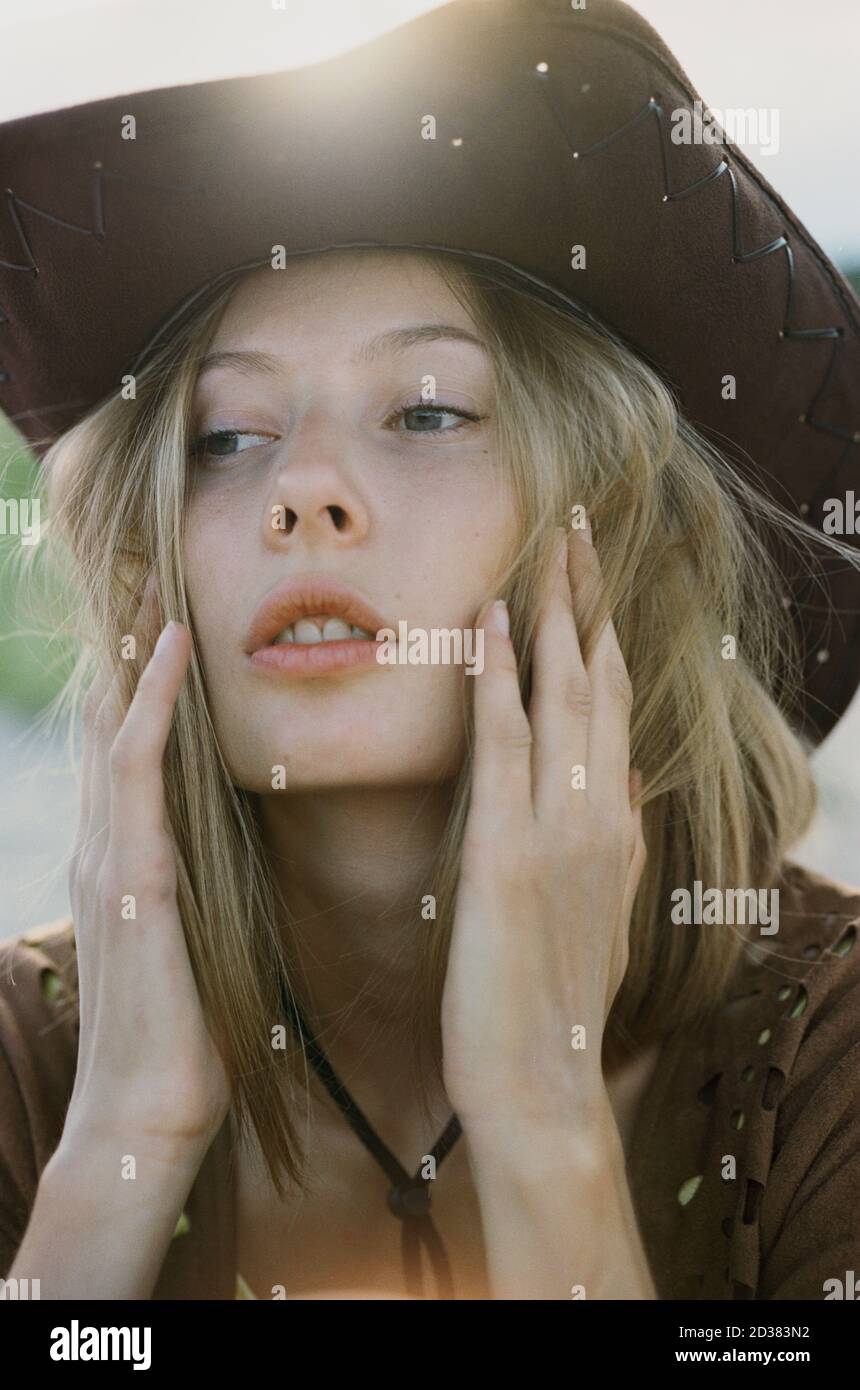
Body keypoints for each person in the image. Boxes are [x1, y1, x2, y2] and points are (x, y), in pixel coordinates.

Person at [2, 0, 860, 1302]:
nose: (304, 492)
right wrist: (118, 1146)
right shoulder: (26, 1058)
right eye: (227, 436)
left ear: (626, 529)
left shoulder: (829, 1055)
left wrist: (541, 1123)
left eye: (426, 409)